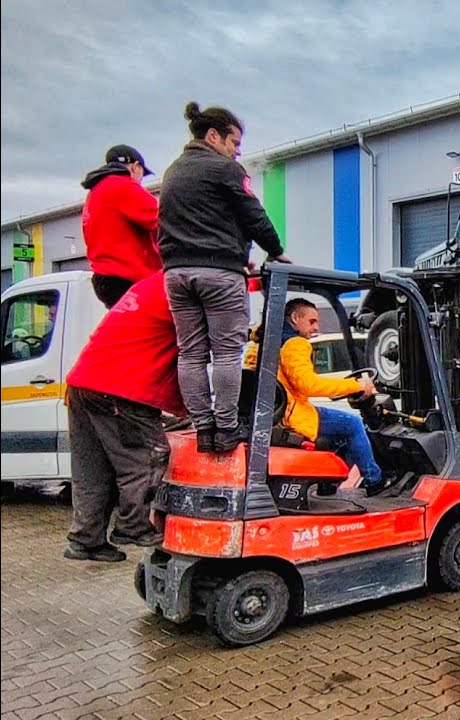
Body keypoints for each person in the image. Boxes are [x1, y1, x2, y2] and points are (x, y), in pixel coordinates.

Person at [158, 102, 290, 455]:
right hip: (219, 275)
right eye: (235, 143)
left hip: (176, 273)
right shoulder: (225, 169)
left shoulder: (173, 172)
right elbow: (253, 215)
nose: (237, 151)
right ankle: (227, 428)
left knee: (191, 353)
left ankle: (203, 428)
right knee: (228, 353)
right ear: (213, 136)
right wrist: (275, 250)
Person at [63, 271, 185, 562]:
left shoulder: (151, 285)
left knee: (93, 470)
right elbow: (194, 357)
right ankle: (133, 526)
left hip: (83, 383)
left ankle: (86, 539)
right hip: (120, 390)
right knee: (148, 456)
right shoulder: (186, 289)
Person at [245, 298, 384, 492]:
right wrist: (355, 385)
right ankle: (375, 481)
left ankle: (328, 485)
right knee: (352, 424)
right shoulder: (295, 344)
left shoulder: (262, 344)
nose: (316, 328)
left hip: (277, 412)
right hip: (292, 416)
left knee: (340, 433)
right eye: (312, 322)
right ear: (295, 318)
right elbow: (309, 385)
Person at [80, 145, 161, 308]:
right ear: (135, 166)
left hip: (105, 278)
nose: (140, 181)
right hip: (128, 278)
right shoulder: (123, 186)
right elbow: (165, 219)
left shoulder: (94, 193)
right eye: (142, 174)